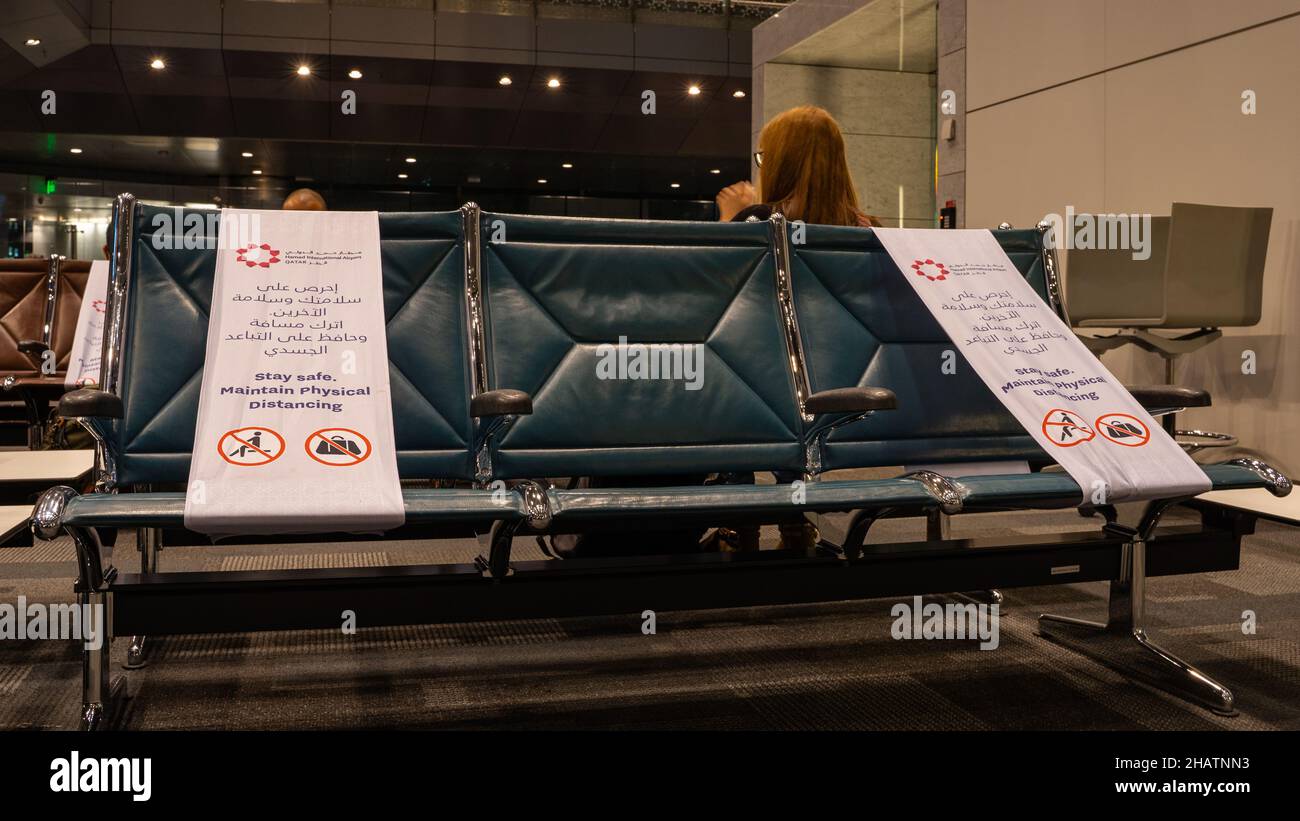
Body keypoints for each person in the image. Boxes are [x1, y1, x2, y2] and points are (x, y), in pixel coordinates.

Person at [711, 105, 880, 553]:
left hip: (767, 388)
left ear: (782, 162)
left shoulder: (760, 223)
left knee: (729, 373)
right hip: (851, 390)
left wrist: (734, 220)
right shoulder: (870, 230)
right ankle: (794, 519)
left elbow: (721, 303)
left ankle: (739, 520)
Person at [716, 105, 880, 228]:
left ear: (780, 165)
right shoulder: (868, 227)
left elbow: (715, 268)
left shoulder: (761, 220)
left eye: (766, 157)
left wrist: (729, 219)